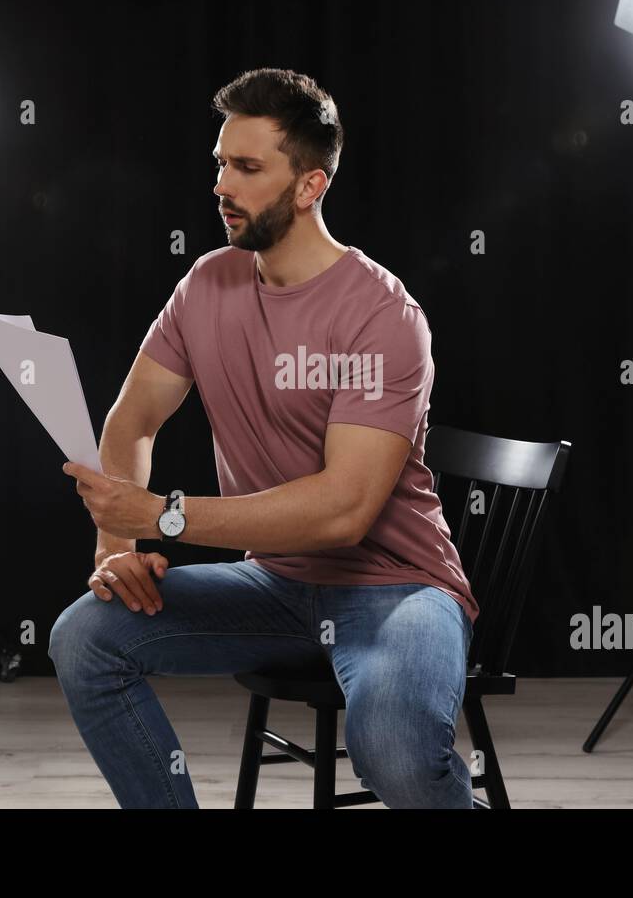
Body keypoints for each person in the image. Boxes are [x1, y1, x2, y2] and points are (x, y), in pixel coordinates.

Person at [48, 68, 478, 808]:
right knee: (86, 638)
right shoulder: (206, 285)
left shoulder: (382, 314)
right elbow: (129, 423)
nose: (222, 184)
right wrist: (115, 550)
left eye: (247, 168)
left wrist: (161, 516)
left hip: (398, 590)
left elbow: (344, 510)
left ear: (309, 187)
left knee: (396, 751)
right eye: (220, 162)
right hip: (274, 587)